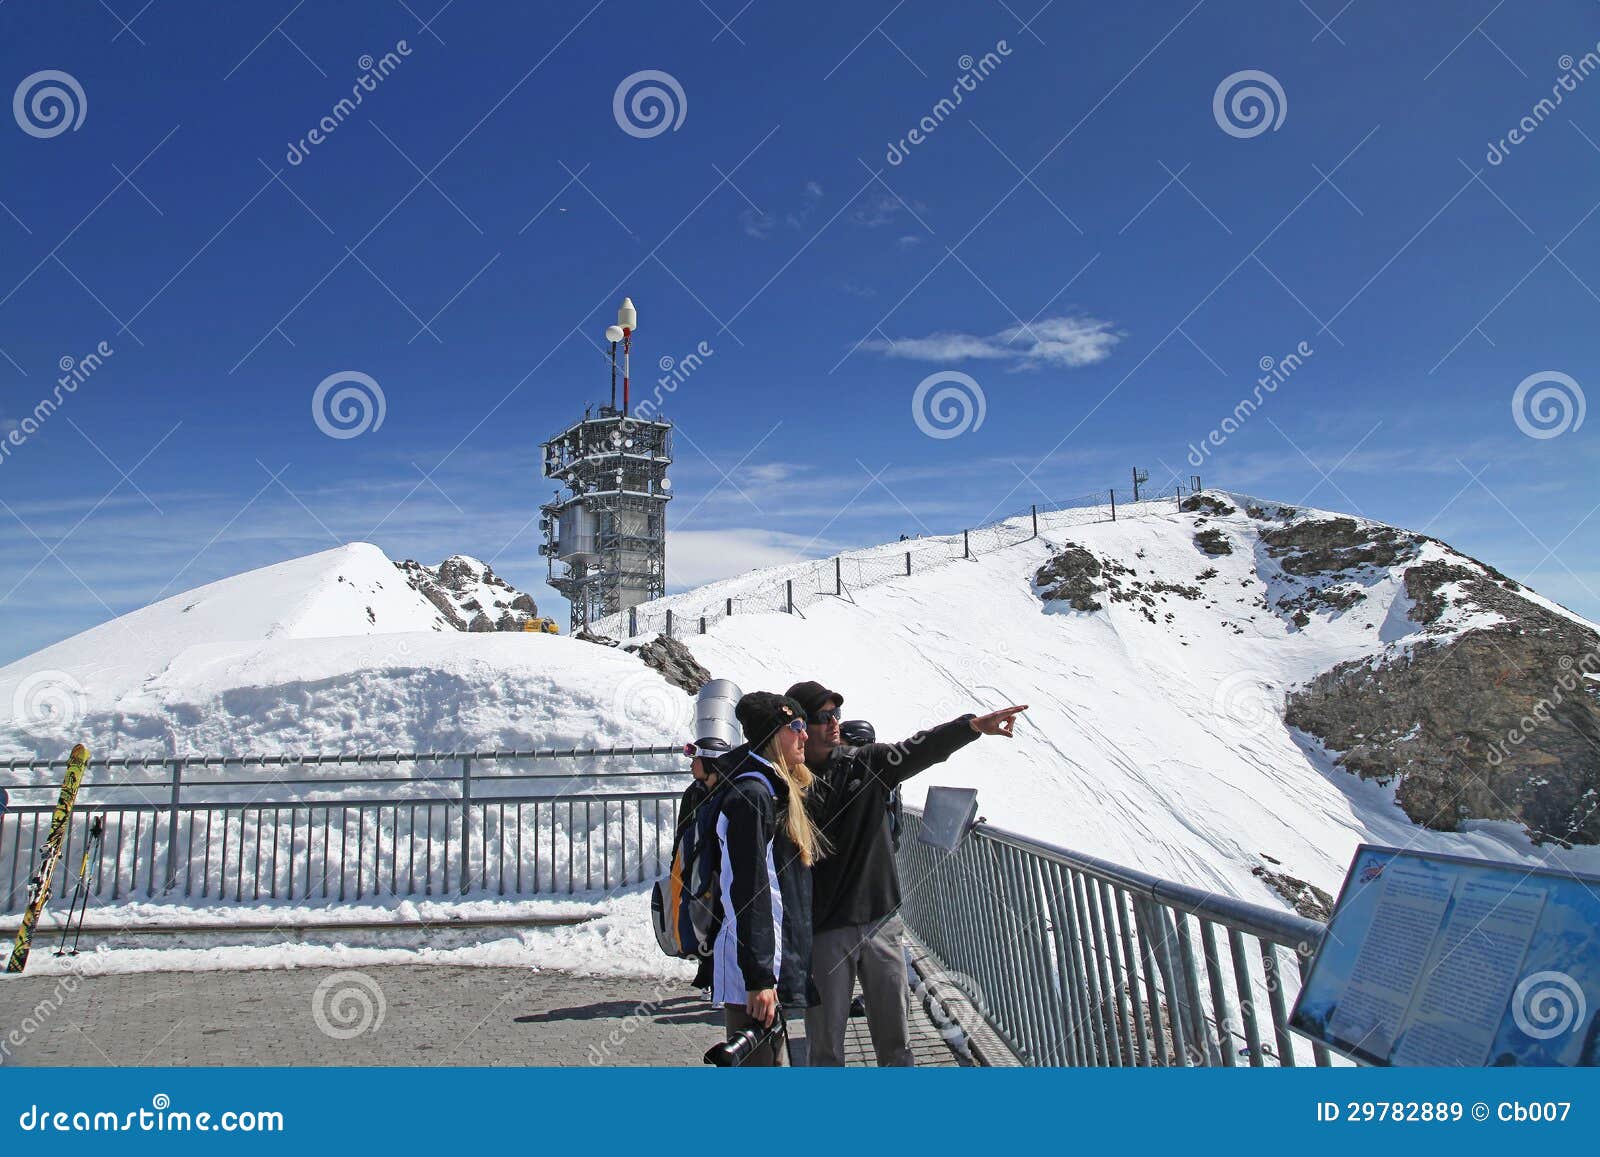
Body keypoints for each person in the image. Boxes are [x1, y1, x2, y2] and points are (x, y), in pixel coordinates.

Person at [787, 679, 1026, 1067]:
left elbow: (920, 748)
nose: (834, 723)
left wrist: (970, 728)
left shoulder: (866, 762)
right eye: (824, 716)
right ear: (799, 725)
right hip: (824, 930)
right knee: (825, 1047)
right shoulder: (786, 784)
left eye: (837, 715)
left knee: (896, 1042)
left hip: (880, 922)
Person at [710, 691, 828, 1066]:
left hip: (766, 963)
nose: (805, 735)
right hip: (755, 968)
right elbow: (750, 891)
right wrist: (759, 978)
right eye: (795, 727)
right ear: (774, 734)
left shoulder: (770, 788)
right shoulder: (754, 794)